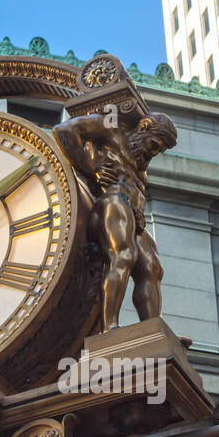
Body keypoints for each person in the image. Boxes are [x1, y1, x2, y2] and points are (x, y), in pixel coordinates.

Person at [53, 110, 177, 331]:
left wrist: (139, 212)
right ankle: (109, 326)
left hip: (131, 214)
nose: (154, 152)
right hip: (108, 203)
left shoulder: (142, 167)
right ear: (144, 128)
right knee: (124, 255)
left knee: (152, 267)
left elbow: (137, 194)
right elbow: (64, 130)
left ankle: (151, 332)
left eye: (159, 150)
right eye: (154, 144)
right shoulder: (110, 130)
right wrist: (90, 168)